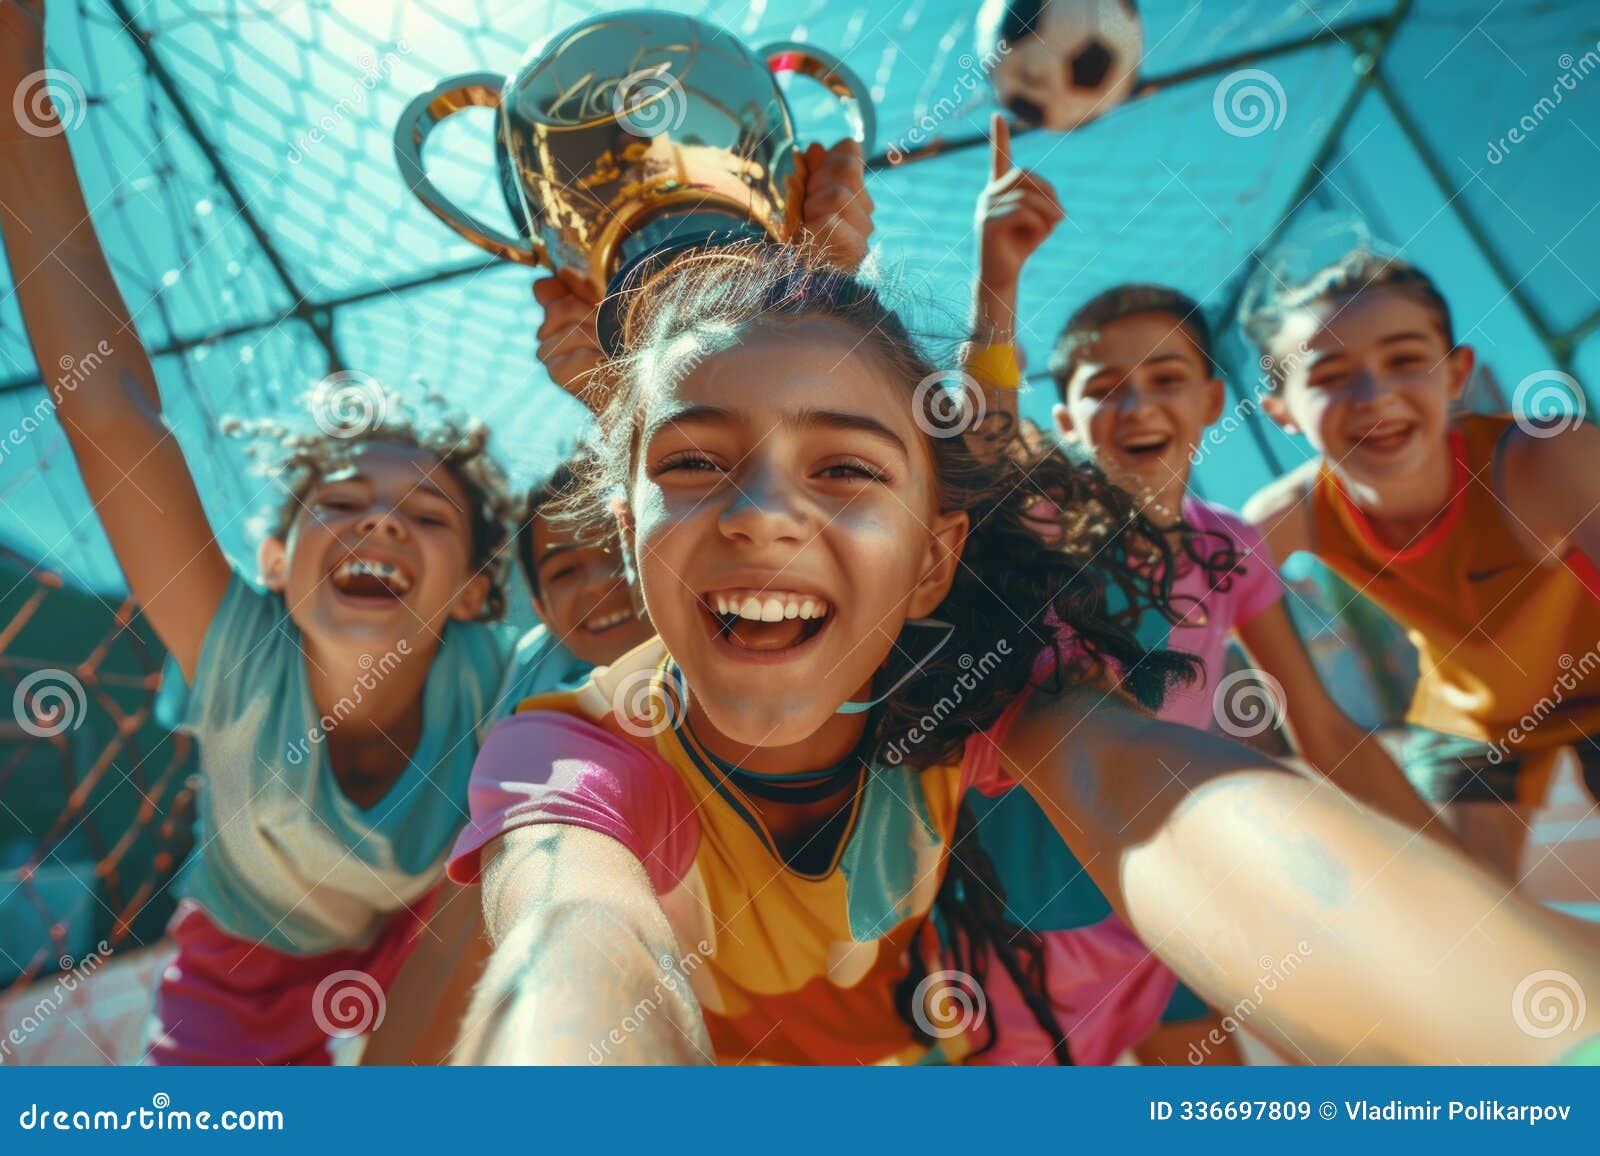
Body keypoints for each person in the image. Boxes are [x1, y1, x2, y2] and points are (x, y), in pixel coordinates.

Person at [444, 241, 1598, 1066]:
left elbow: (1158, 797)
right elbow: (571, 931)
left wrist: (1524, 1030)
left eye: (844, 468)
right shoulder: (573, 752)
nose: (760, 512)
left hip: (985, 1003)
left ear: (936, 556)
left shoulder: (981, 684)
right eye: (693, 462)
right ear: (625, 514)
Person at [0, 0, 515, 1064]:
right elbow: (108, 415)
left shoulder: (499, 672)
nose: (378, 515)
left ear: (472, 587)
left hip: (418, 942)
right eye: (337, 501)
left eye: (425, 514)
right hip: (237, 968)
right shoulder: (239, 653)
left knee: (512, 877)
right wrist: (16, 73)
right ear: (274, 561)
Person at [1243, 250, 1600, 885]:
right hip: (1472, 717)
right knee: (1468, 911)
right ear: (1283, 411)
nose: (1375, 395)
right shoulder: (1284, 518)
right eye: (1328, 374)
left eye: (1406, 360)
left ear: (1456, 373)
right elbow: (1316, 732)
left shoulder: (1547, 458)